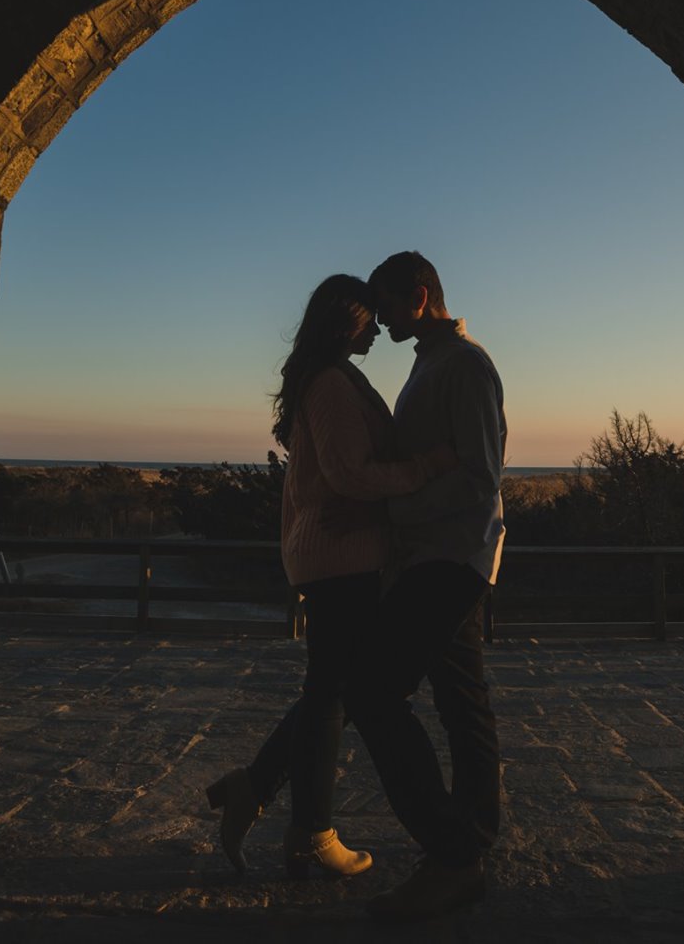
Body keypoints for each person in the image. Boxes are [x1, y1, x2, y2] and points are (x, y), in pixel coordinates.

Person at [205, 274, 457, 878]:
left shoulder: (333, 377)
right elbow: (352, 474)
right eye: (368, 317)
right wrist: (427, 467)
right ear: (347, 320)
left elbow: (353, 478)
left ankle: (260, 791)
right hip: (341, 559)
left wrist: (376, 499)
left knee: (334, 690)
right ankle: (308, 832)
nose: (377, 328)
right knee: (332, 693)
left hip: (342, 555)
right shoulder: (330, 385)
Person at [344, 250, 507, 923]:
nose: (378, 321)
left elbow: (479, 476)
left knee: (374, 693)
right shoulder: (432, 362)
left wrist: (396, 512)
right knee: (461, 699)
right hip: (438, 557)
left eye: (385, 304)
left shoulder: (464, 365)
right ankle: (468, 841)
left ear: (419, 295)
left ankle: (452, 854)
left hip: (449, 557)